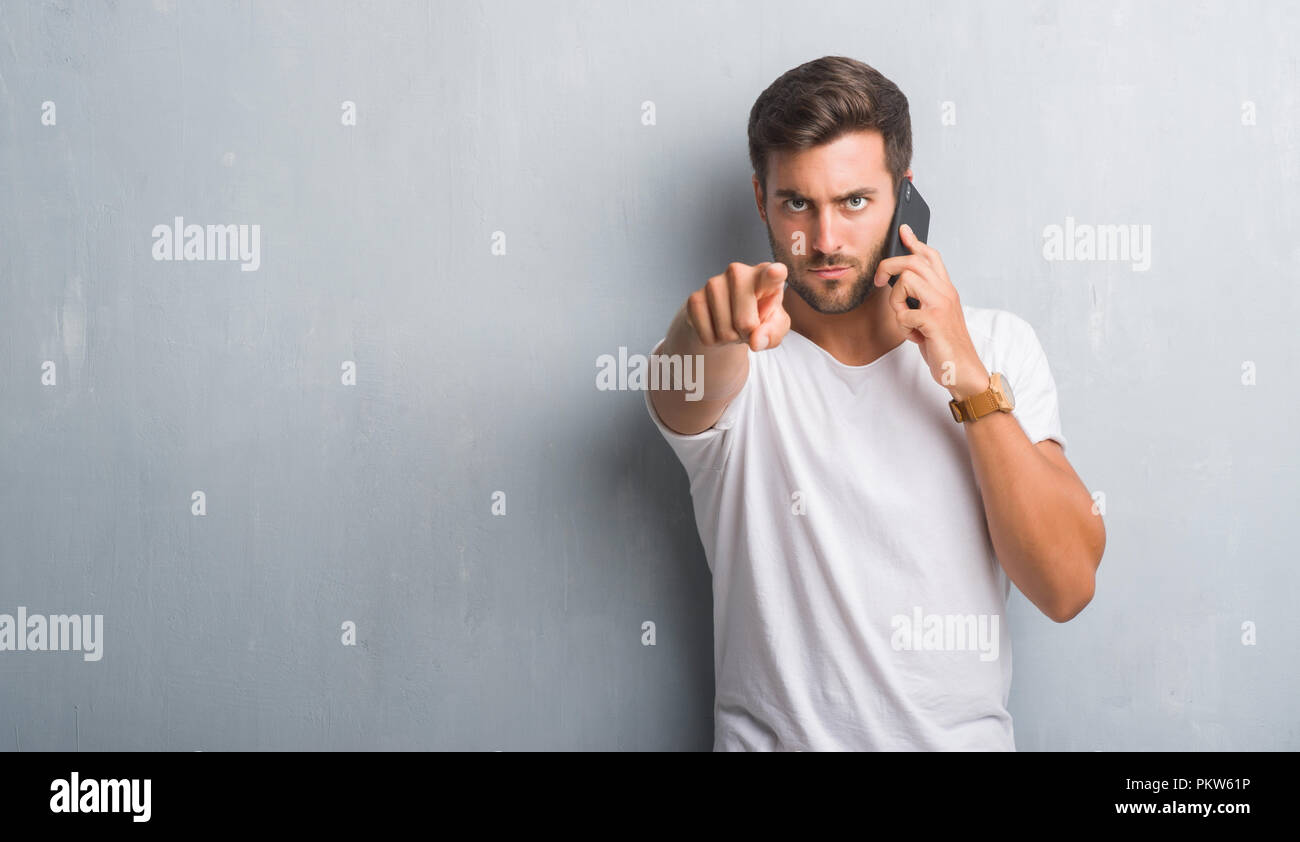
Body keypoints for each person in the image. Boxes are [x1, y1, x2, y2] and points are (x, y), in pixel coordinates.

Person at [645, 55, 1106, 751]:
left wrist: (964, 374)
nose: (825, 240)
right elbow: (684, 383)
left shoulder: (998, 347)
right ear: (760, 199)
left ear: (904, 197)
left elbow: (1065, 585)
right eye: (796, 203)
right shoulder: (738, 357)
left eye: (854, 201)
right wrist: (706, 326)